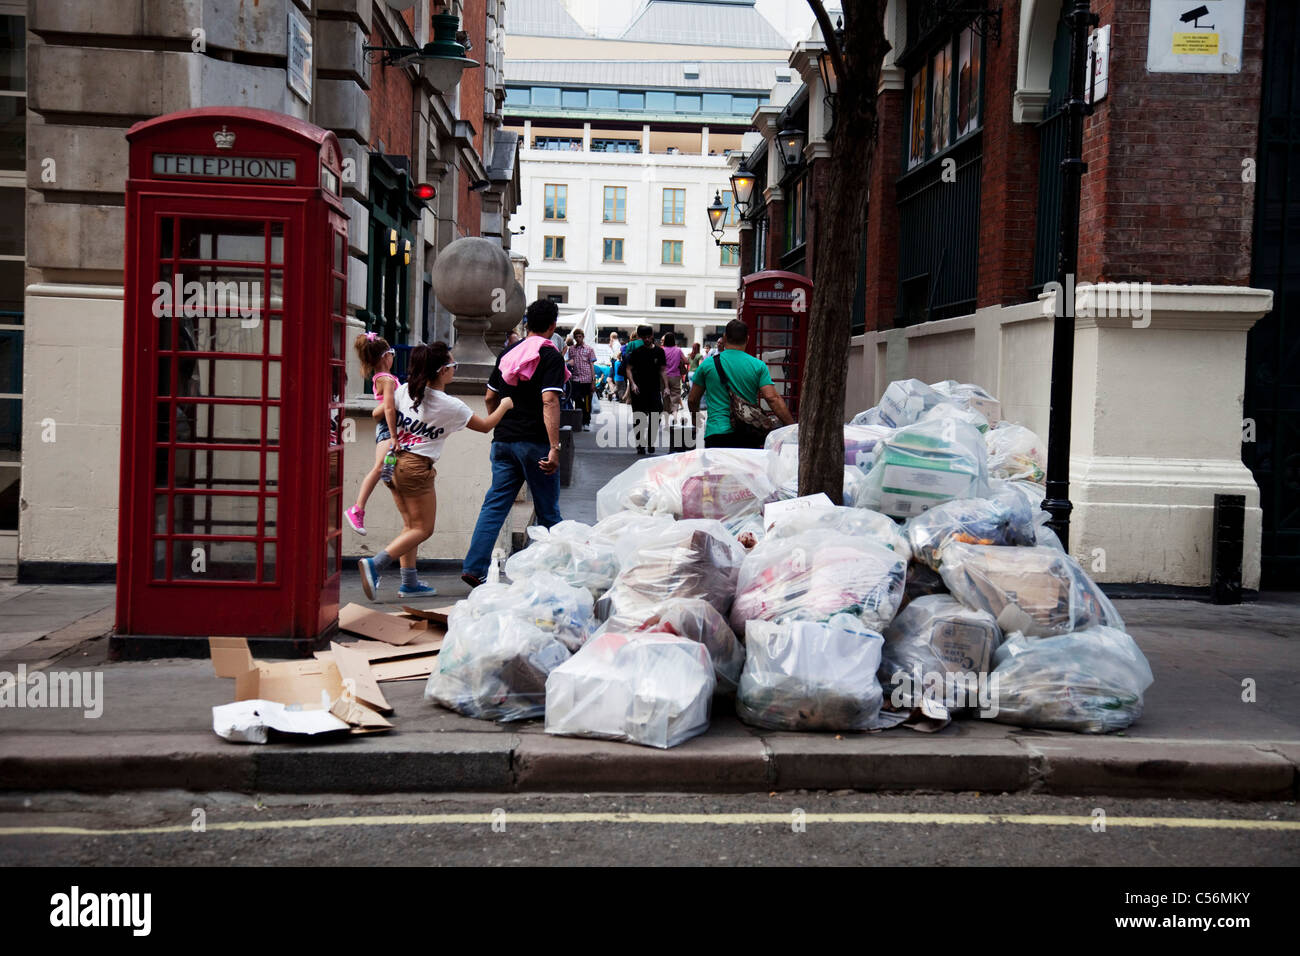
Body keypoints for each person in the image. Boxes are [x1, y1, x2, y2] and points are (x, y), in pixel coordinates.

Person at [357, 343, 513, 600]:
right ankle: (376, 564)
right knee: (423, 529)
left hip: (392, 463)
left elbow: (378, 413)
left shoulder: (405, 390)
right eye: (453, 366)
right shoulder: (451, 405)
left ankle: (409, 583)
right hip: (416, 468)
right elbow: (485, 426)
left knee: (410, 526)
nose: (455, 370)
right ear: (442, 371)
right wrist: (505, 405)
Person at [461, 300, 567, 588]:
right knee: (548, 513)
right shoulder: (551, 356)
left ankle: (473, 568)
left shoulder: (508, 353)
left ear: (527, 323)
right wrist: (554, 448)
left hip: (504, 441)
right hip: (535, 443)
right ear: (552, 326)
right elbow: (550, 400)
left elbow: (489, 397)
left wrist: (501, 421)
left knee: (494, 505)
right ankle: (557, 573)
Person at [687, 318, 794, 449]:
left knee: (718, 470)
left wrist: (695, 418)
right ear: (747, 339)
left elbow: (692, 399)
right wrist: (792, 427)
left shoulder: (708, 364)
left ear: (724, 338)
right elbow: (772, 398)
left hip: (716, 433)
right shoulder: (758, 365)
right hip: (747, 432)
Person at [345, 332, 399, 537]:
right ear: (386, 357)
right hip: (388, 427)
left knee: (386, 467)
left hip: (387, 427)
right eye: (392, 353)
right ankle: (357, 509)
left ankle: (389, 476)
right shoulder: (386, 379)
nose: (393, 357)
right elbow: (389, 409)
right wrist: (394, 436)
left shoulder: (381, 377)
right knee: (378, 468)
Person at [627, 324, 667, 455]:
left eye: (648, 337)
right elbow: (628, 368)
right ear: (640, 338)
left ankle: (650, 441)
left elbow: (662, 370)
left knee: (656, 416)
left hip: (654, 389)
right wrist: (632, 384)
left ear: (652, 336)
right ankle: (640, 444)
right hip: (638, 390)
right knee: (639, 418)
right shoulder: (637, 352)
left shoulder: (659, 352)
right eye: (643, 337)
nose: (646, 339)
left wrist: (666, 387)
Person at [566, 328, 597, 429]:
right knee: (576, 398)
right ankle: (580, 420)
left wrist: (593, 381)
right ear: (574, 338)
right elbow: (570, 363)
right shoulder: (571, 349)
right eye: (576, 337)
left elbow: (592, 365)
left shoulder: (589, 349)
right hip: (575, 378)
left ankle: (586, 421)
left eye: (580, 337)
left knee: (587, 400)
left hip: (587, 379)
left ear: (583, 337)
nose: (578, 339)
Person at [661, 332, 686, 416]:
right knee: (675, 395)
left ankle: (667, 412)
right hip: (675, 376)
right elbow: (686, 361)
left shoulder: (662, 350)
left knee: (665, 395)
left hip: (664, 377)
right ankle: (674, 412)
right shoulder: (678, 350)